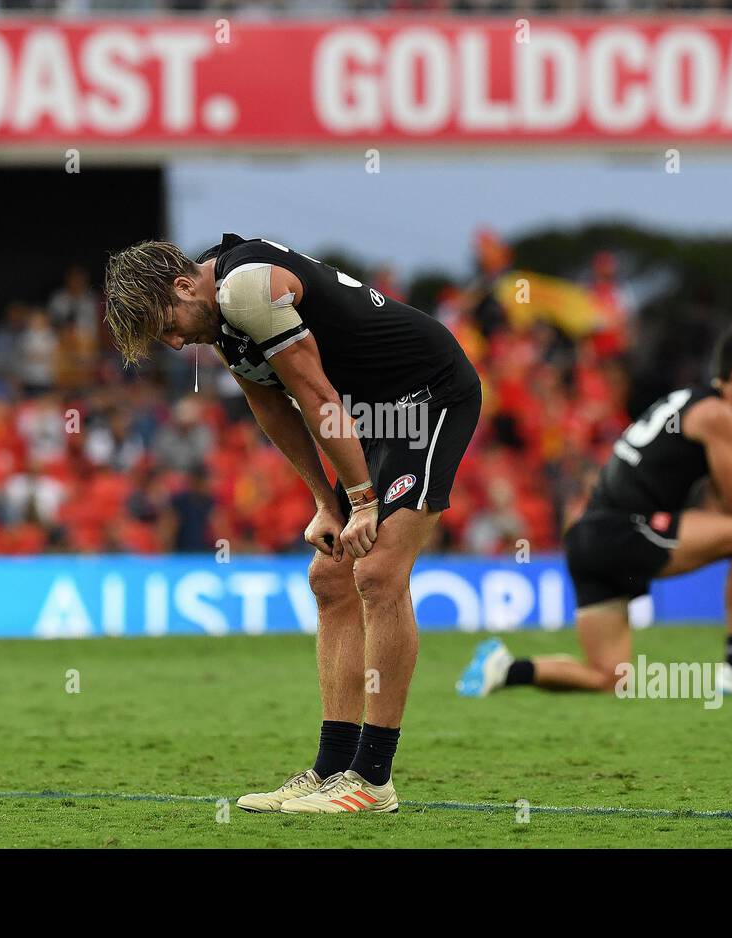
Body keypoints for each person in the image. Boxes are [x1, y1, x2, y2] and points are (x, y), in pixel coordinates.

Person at [103, 233, 482, 813]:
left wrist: (360, 499)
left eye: (169, 326)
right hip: (365, 412)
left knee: (378, 573)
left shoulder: (247, 289)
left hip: (426, 394)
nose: (175, 344)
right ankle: (332, 770)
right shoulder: (222, 320)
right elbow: (272, 405)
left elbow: (314, 392)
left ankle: (372, 781)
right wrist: (326, 504)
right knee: (330, 579)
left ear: (184, 285)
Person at [458, 331, 732, 698]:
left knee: (611, 678)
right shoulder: (718, 414)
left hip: (588, 540)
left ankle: (506, 668)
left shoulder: (686, 401)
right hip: (624, 531)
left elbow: (719, 501)